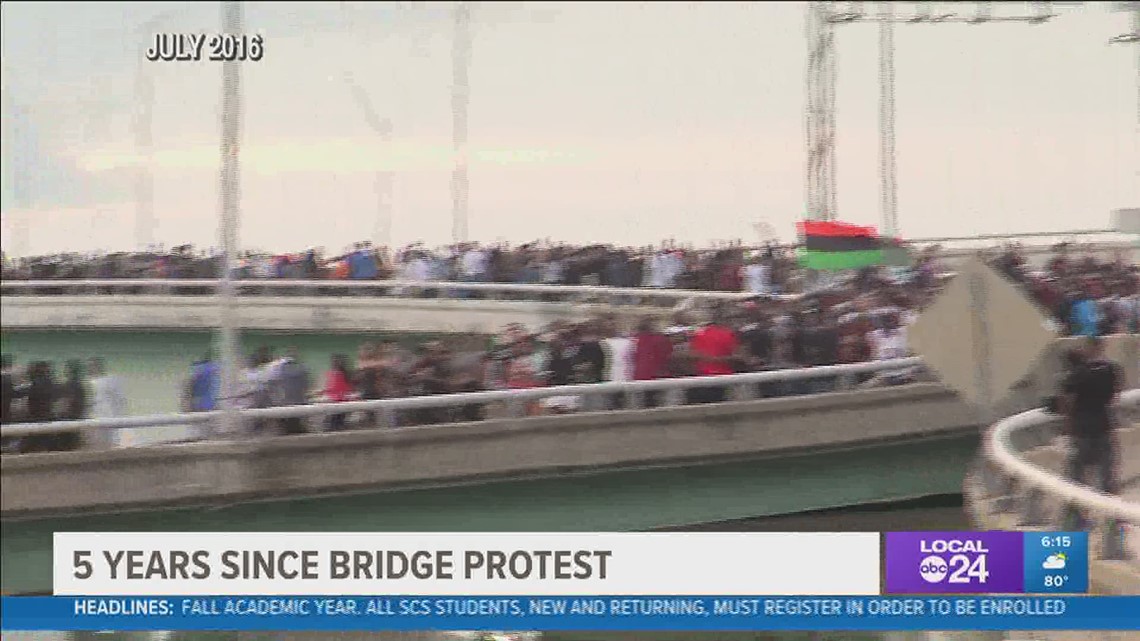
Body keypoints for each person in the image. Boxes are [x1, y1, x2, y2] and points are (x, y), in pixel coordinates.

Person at [1059, 336, 1125, 555]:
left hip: (1082, 430)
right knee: (1107, 479)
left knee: (1077, 478)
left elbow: (1067, 401)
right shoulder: (1112, 370)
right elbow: (1115, 396)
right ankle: (1113, 523)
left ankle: (1078, 520)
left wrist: (1068, 425)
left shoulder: (1078, 374)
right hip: (1104, 428)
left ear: (1088, 349)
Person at [687, 304, 739, 404]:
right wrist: (716, 359)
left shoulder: (699, 334)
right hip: (723, 377)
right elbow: (737, 356)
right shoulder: (729, 334)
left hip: (702, 376)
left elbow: (692, 354)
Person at [88, 357, 128, 447]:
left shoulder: (109, 381)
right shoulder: (88, 383)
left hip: (107, 414)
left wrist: (118, 413)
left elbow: (119, 399)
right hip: (94, 415)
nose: (91, 368)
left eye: (93, 366)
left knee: (110, 439)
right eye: (90, 366)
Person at [273, 348, 311, 435]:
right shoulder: (302, 367)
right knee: (296, 418)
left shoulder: (279, 368)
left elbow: (276, 382)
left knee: (291, 418)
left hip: (290, 397)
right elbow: (306, 383)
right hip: (295, 397)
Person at [323, 354, 355, 431]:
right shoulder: (344, 374)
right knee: (337, 422)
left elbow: (331, 388)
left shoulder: (336, 374)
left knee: (334, 422)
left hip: (337, 401)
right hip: (340, 401)